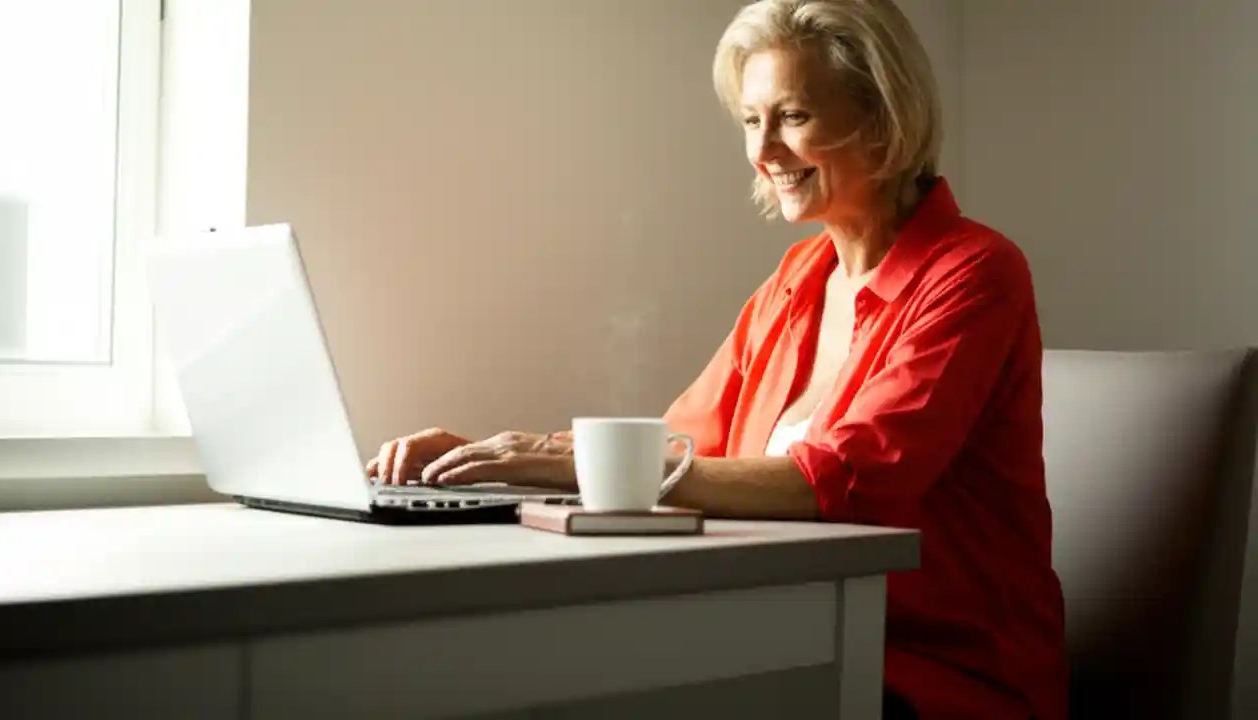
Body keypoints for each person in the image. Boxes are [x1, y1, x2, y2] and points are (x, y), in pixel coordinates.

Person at [366, 1, 1067, 717]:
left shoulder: (977, 271)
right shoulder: (798, 278)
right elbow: (680, 443)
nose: (763, 150)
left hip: (936, 678)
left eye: (792, 117)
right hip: (787, 641)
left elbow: (848, 479)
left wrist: (553, 466)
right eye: (750, 121)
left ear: (884, 119)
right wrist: (500, 452)